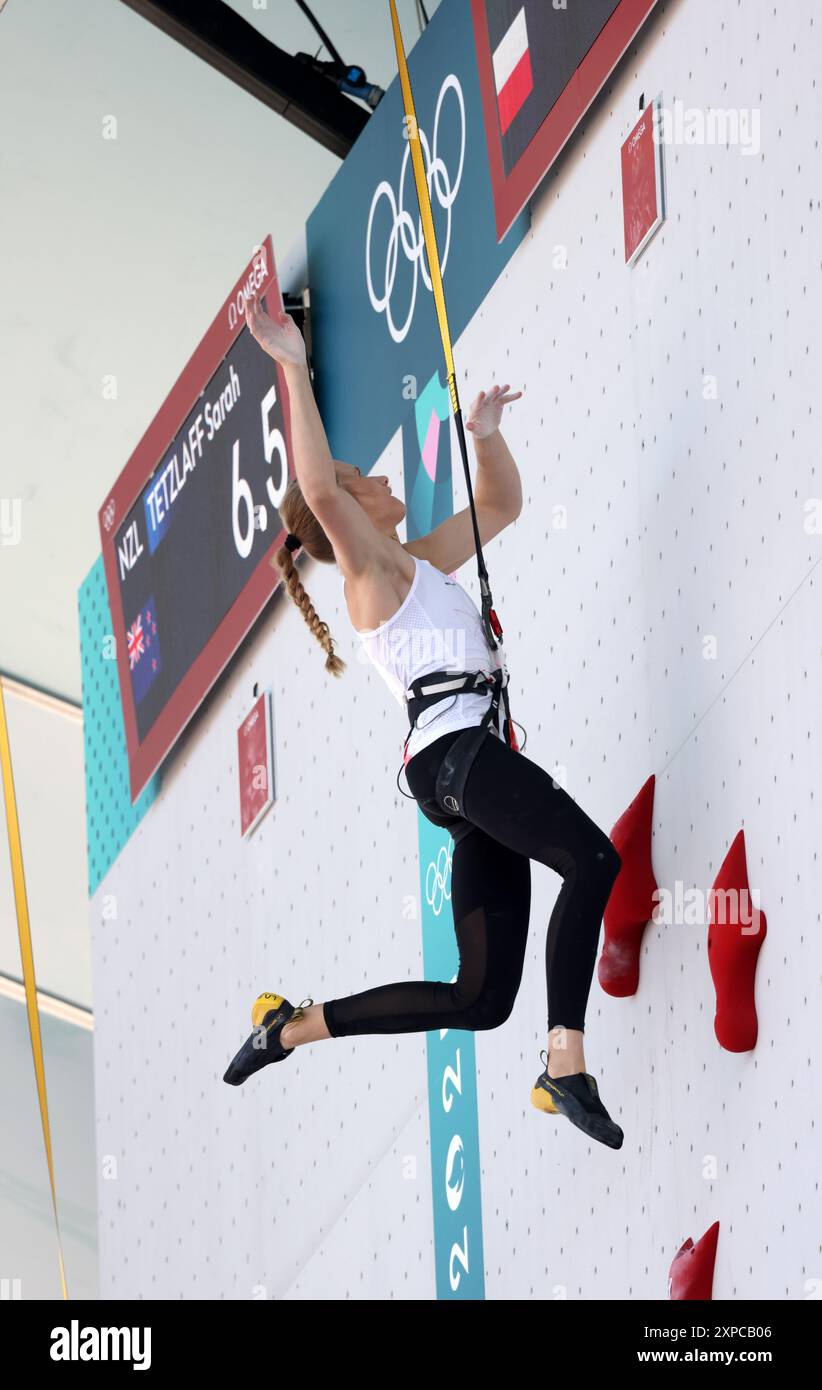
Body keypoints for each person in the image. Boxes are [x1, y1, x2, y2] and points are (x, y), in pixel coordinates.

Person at [223, 293, 624, 1149]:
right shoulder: (368, 574)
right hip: (456, 760)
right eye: (370, 484)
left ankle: (284, 1027)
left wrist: (484, 434)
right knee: (591, 858)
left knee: (478, 999)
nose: (383, 482)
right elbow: (318, 486)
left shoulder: (416, 566)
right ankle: (565, 1064)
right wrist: (292, 367)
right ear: (351, 520)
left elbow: (502, 508)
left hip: (457, 772)